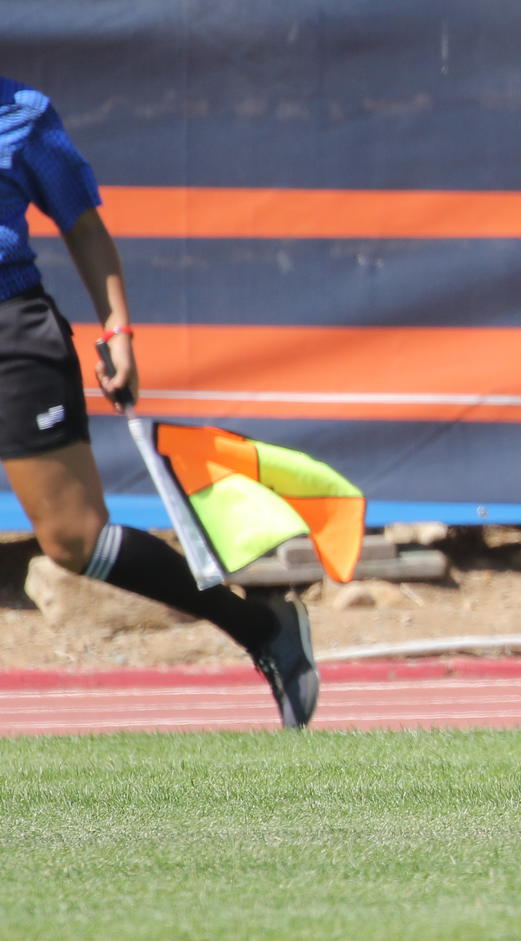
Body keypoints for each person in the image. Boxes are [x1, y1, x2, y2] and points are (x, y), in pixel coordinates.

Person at [0, 77, 318, 728]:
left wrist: (117, 330)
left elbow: (84, 227)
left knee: (74, 538)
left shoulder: (23, 115)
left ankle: (260, 627)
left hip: (12, 331)